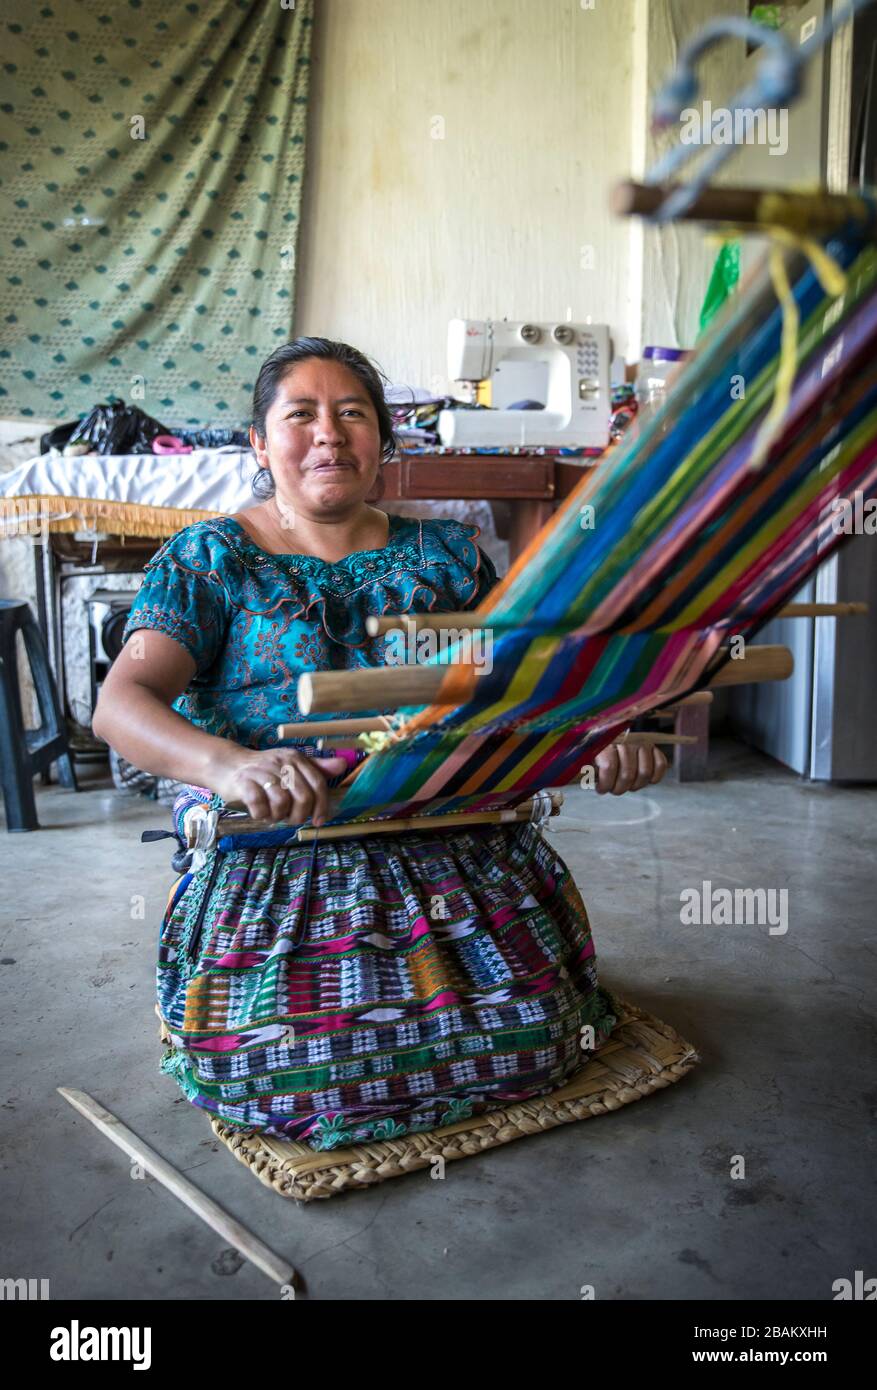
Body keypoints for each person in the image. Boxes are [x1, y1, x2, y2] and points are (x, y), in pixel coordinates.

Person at [93, 336, 668, 1151]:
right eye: (301, 415)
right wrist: (232, 766)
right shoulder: (213, 561)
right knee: (281, 1066)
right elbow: (120, 705)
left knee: (537, 1037)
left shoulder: (445, 558)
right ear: (260, 444)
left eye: (352, 414)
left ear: (383, 441)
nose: (329, 434)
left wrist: (604, 733)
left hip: (442, 827)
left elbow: (526, 680)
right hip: (284, 841)